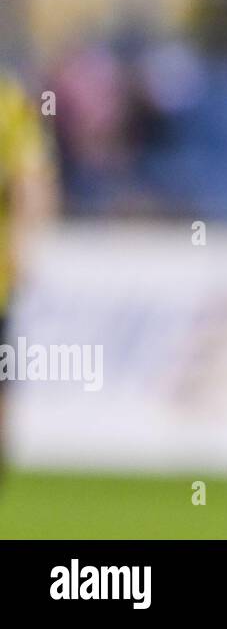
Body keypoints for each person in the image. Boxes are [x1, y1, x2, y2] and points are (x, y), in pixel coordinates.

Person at [0, 70, 57, 485]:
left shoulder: (10, 101)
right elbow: (35, 180)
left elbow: (32, 181)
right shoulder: (10, 99)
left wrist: (24, 243)